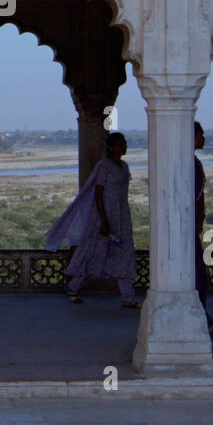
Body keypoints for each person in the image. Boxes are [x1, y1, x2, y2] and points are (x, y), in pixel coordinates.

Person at [45, 131, 139, 307]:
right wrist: (103, 220)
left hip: (121, 218)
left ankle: (127, 297)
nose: (123, 147)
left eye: (124, 143)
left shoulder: (124, 167)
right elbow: (98, 192)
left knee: (124, 253)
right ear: (111, 148)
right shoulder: (104, 166)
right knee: (93, 253)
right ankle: (73, 286)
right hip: (103, 218)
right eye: (120, 144)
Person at [194, 122, 213, 337]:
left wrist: (200, 217)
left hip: (189, 227)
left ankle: (201, 317)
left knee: (198, 274)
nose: (204, 139)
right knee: (196, 275)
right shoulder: (188, 163)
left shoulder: (193, 163)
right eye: (201, 135)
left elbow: (198, 196)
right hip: (184, 229)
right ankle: (200, 319)